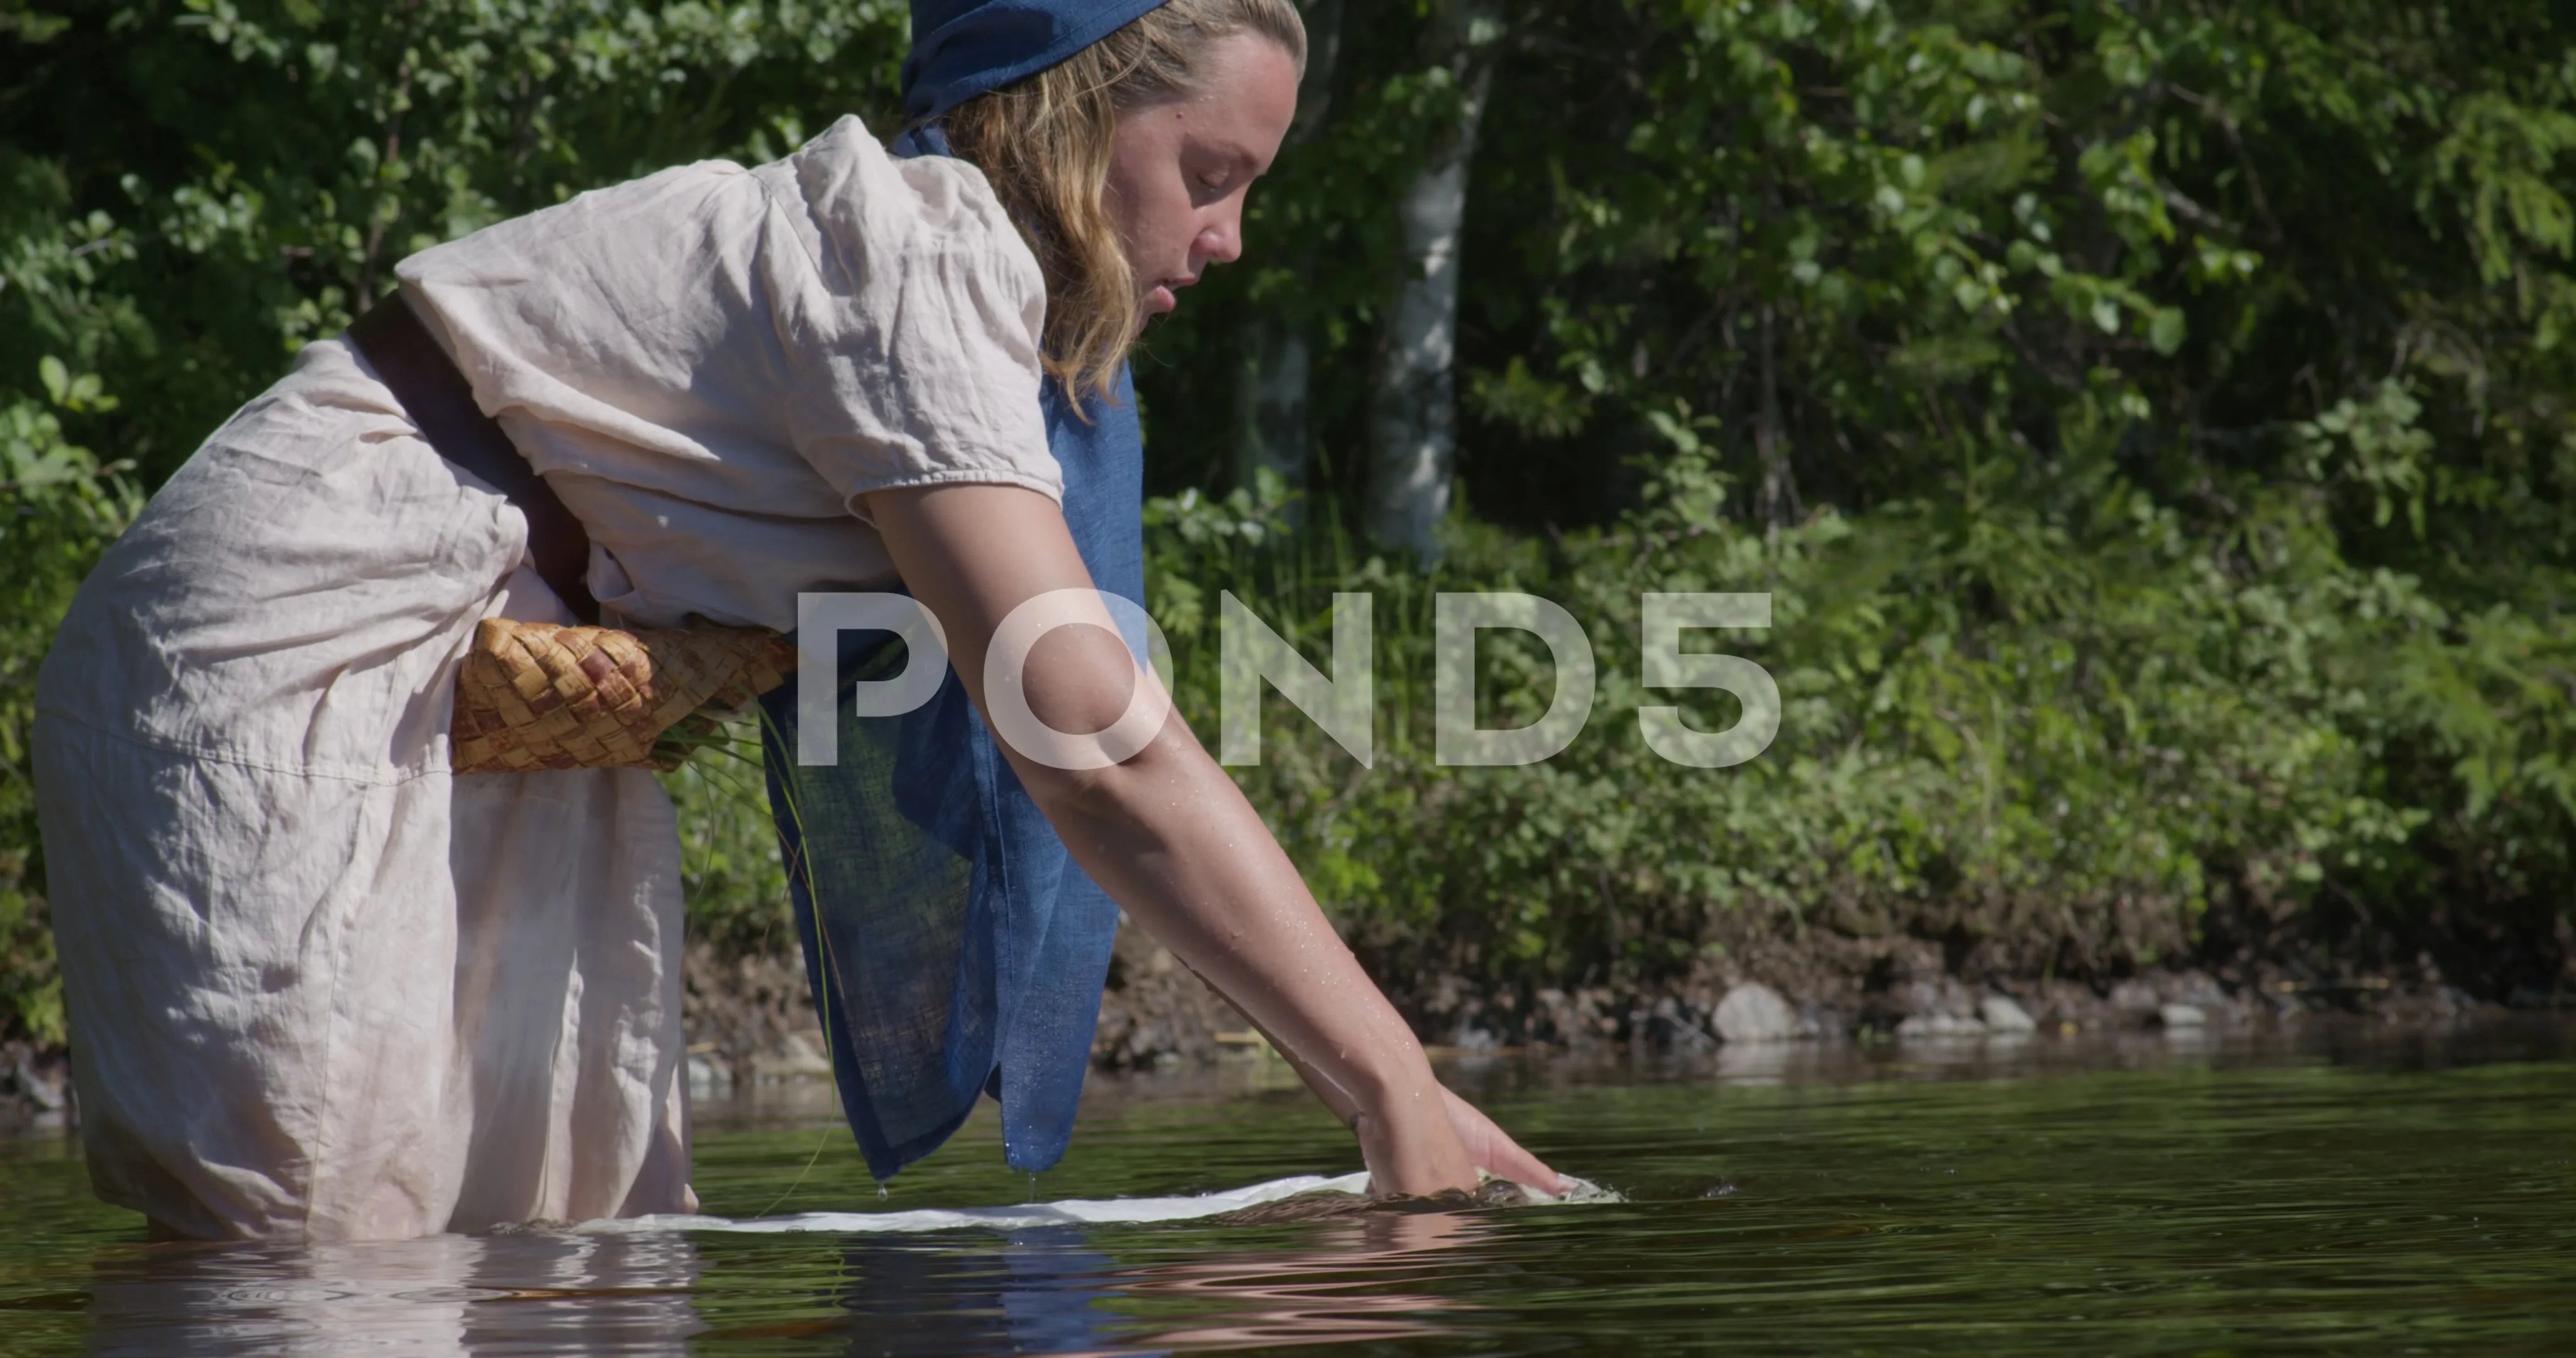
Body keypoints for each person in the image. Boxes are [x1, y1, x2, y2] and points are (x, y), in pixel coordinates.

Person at [32, 0, 1560, 1242]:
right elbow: (1084, 737)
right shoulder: (911, 253)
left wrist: (1386, 1089)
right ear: (1071, 114)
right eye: (1209, 172)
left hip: (484, 657)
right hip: (300, 626)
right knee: (321, 1234)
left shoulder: (937, 281)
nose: (1225, 239)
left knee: (561, 1243)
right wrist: (1384, 1082)